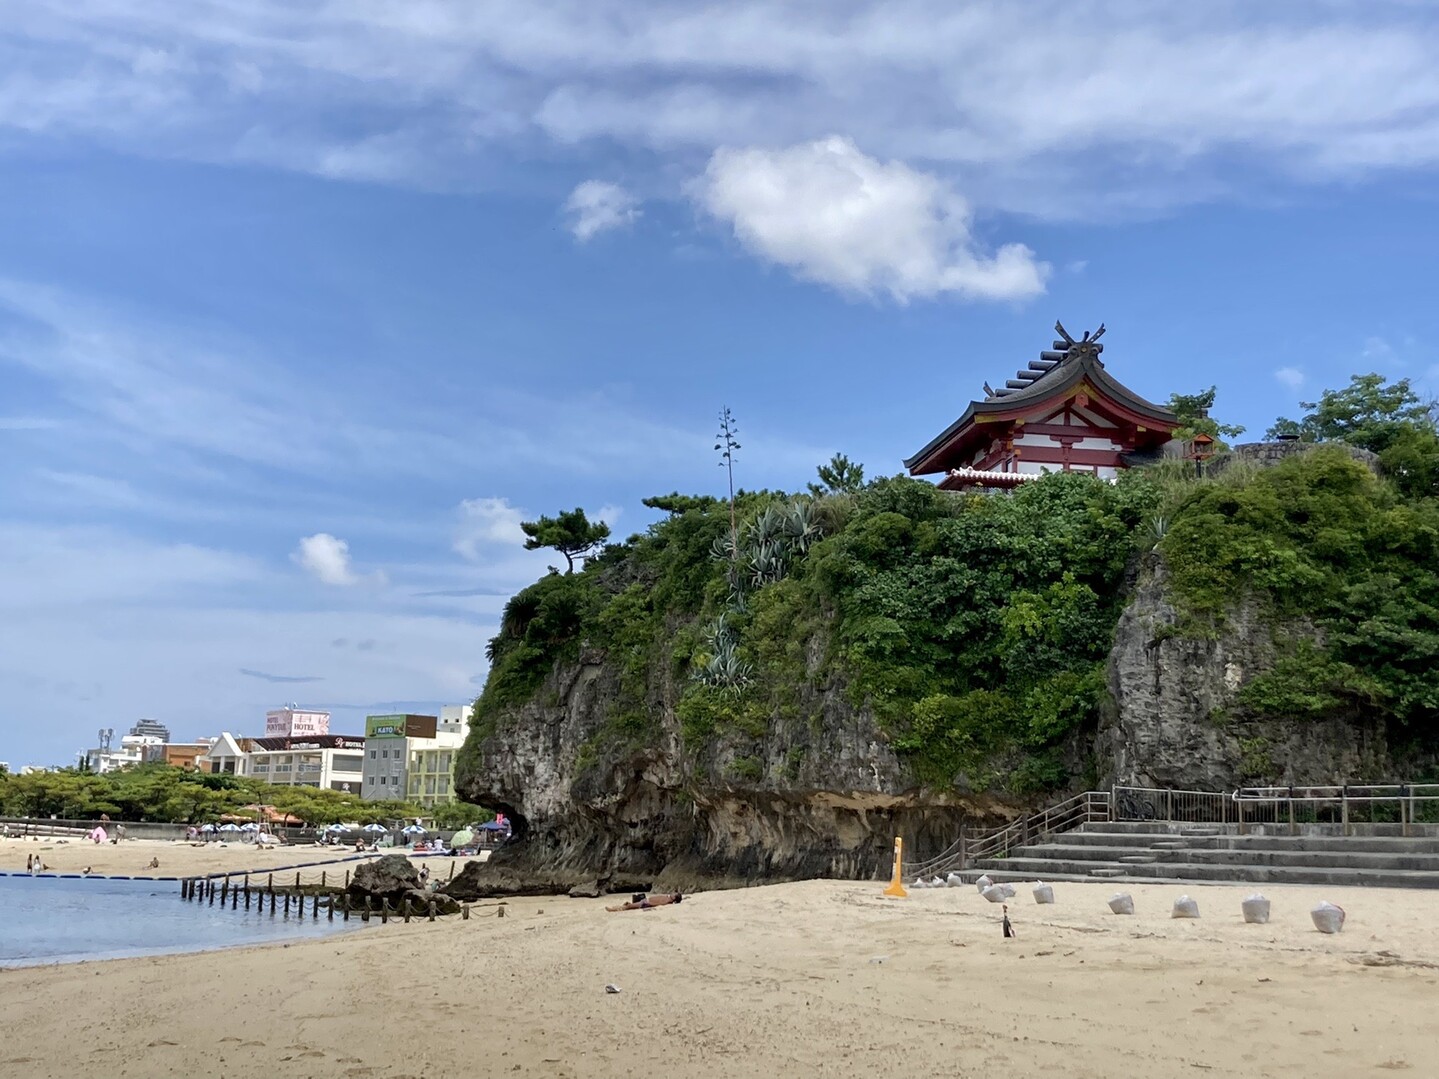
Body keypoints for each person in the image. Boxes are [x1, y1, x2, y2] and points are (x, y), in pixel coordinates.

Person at [606, 892, 683, 912]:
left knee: (629, 906)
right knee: (629, 905)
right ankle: (615, 908)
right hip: (646, 901)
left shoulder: (667, 900)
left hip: (646, 902)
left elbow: (658, 903)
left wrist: (648, 904)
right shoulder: (668, 898)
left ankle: (613, 909)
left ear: (674, 898)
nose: (673, 893)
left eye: (674, 894)